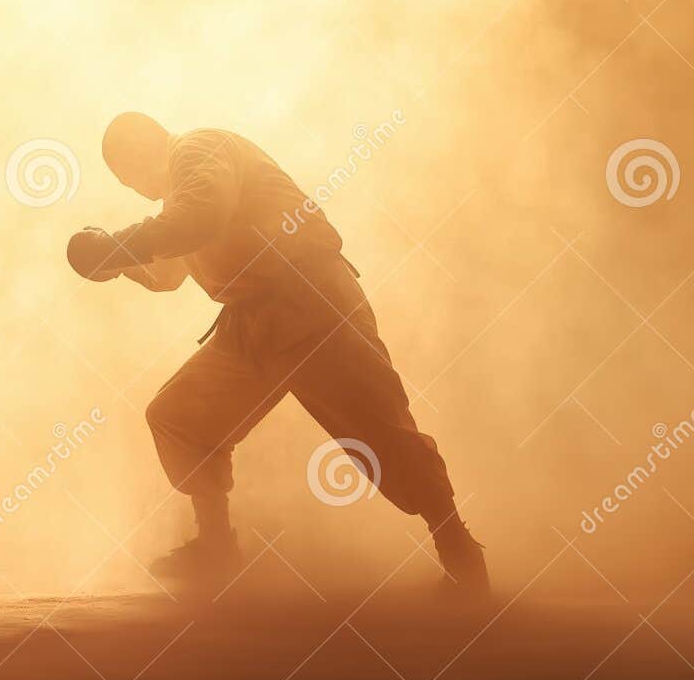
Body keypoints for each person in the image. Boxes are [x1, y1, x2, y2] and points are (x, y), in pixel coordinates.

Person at [68, 113, 488, 595]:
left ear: (142, 147)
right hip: (250, 324)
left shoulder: (199, 149)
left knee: (382, 430)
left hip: (310, 299)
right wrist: (114, 264)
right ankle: (216, 545)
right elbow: (166, 272)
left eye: (125, 173)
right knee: (177, 415)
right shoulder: (174, 201)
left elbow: (197, 220)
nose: (132, 187)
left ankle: (457, 547)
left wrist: (112, 247)